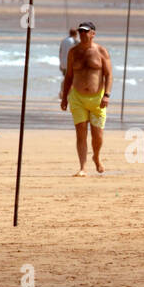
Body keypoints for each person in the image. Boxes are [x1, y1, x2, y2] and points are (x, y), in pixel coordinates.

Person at [60, 21, 112, 176]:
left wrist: (107, 95)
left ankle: (96, 156)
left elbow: (108, 75)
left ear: (93, 34)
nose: (82, 34)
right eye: (80, 32)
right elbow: (69, 76)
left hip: (97, 99)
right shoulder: (73, 52)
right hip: (77, 98)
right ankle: (83, 167)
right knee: (80, 132)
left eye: (85, 32)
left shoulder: (101, 51)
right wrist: (64, 98)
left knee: (98, 135)